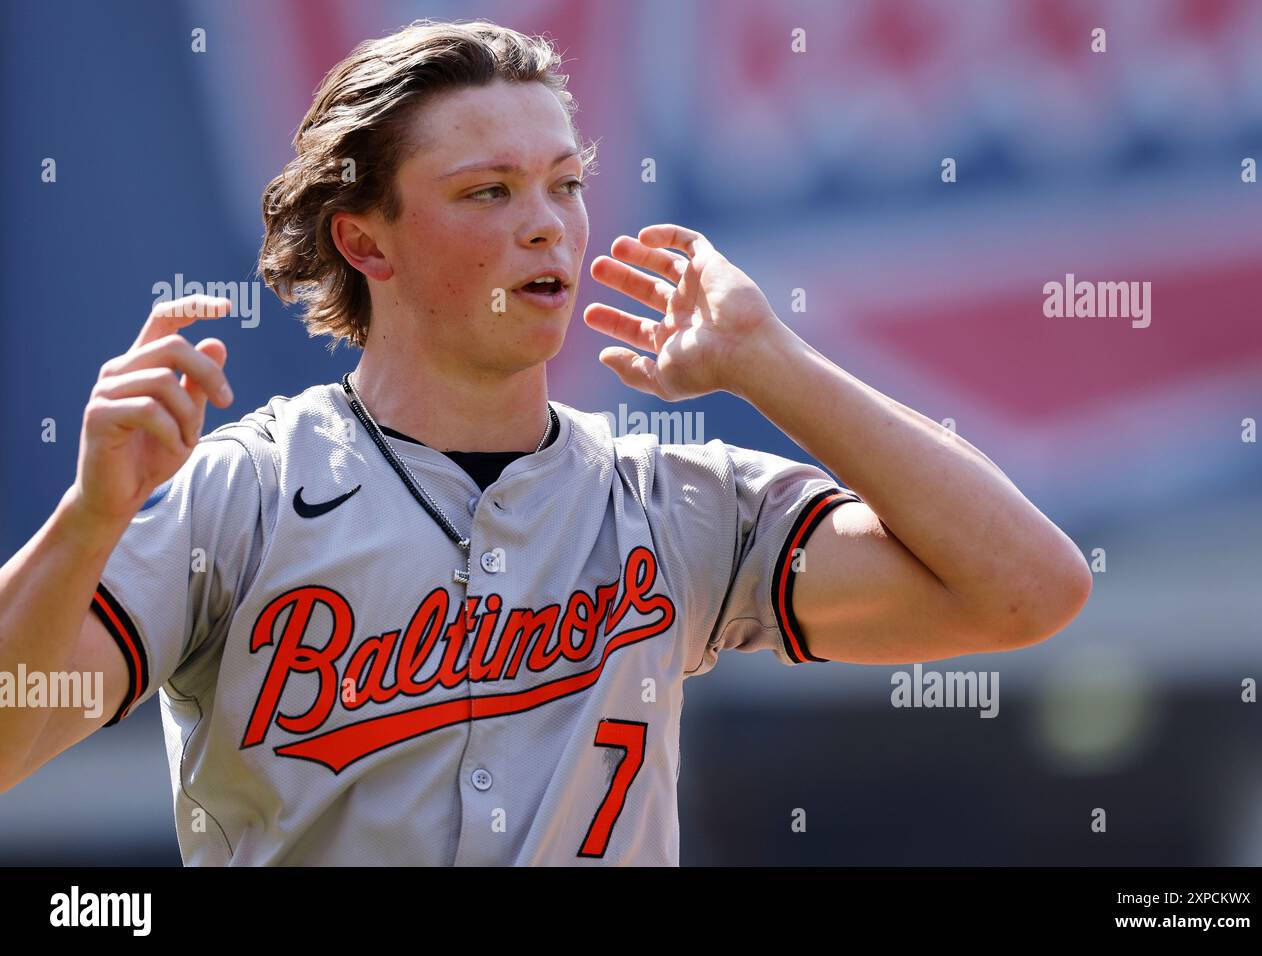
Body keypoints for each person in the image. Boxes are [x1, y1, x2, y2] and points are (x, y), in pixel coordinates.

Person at [0, 19, 1091, 865]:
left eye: (565, 183)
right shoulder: (248, 492)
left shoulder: (665, 501)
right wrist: (89, 518)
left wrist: (775, 362)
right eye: (489, 190)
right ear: (362, 240)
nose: (548, 223)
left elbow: (1026, 591)